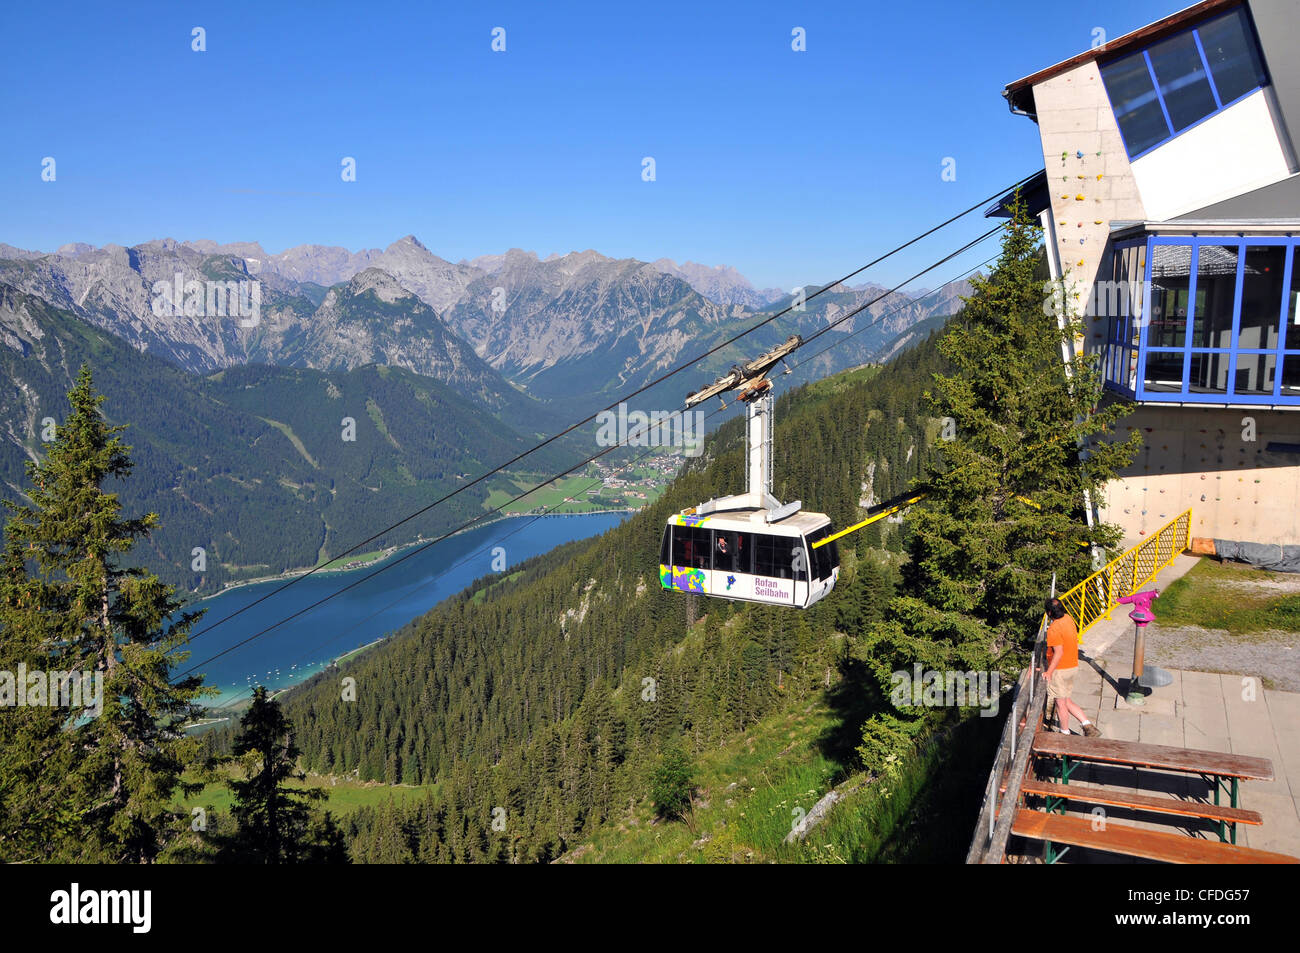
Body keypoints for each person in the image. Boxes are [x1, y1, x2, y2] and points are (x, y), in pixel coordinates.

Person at [1043, 598, 1101, 737]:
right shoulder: (1069, 619)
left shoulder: (1053, 629)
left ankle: (1064, 734)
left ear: (1049, 613)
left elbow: (1059, 652)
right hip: (1072, 666)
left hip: (1060, 670)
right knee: (1066, 700)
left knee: (1060, 704)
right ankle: (1088, 726)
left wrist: (1049, 672)